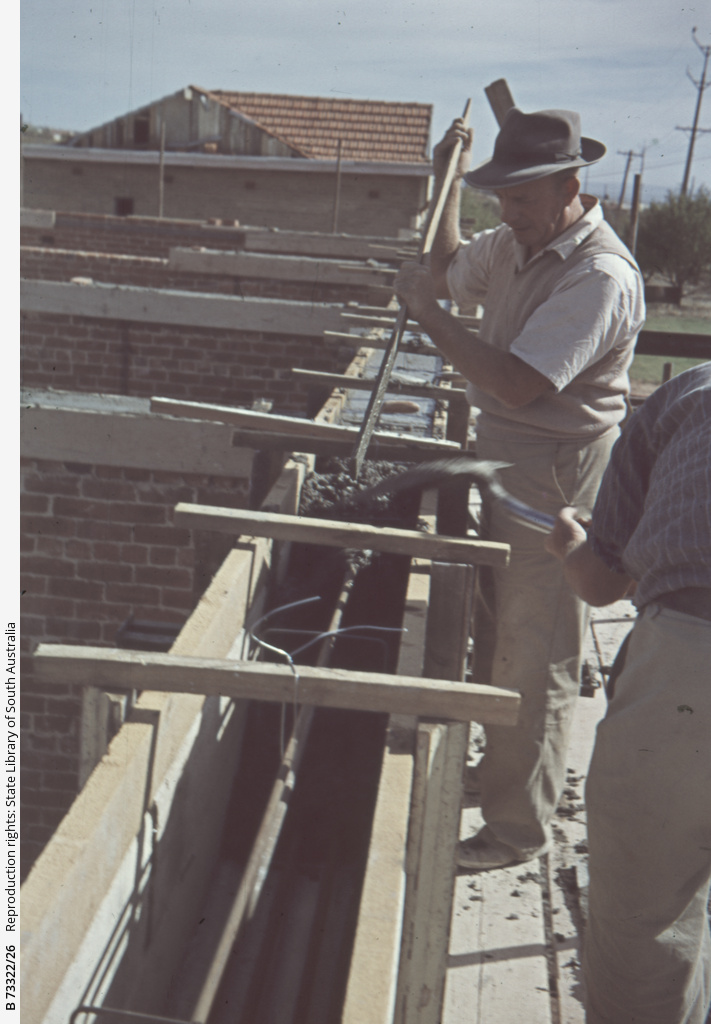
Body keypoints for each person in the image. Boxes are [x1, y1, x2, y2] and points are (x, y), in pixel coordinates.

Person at [393, 106, 645, 870]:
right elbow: (445, 268)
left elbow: (513, 383)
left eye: (524, 200)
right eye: (499, 199)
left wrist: (429, 318)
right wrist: (444, 177)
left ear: (572, 184)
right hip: (503, 459)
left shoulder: (598, 276)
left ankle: (515, 829)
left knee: (538, 653)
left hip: (557, 473)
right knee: (500, 630)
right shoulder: (512, 241)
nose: (508, 215)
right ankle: (501, 772)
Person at [544, 362, 711, 1024]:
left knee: (643, 919)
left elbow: (600, 581)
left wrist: (570, 546)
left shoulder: (690, 392)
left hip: (688, 662)